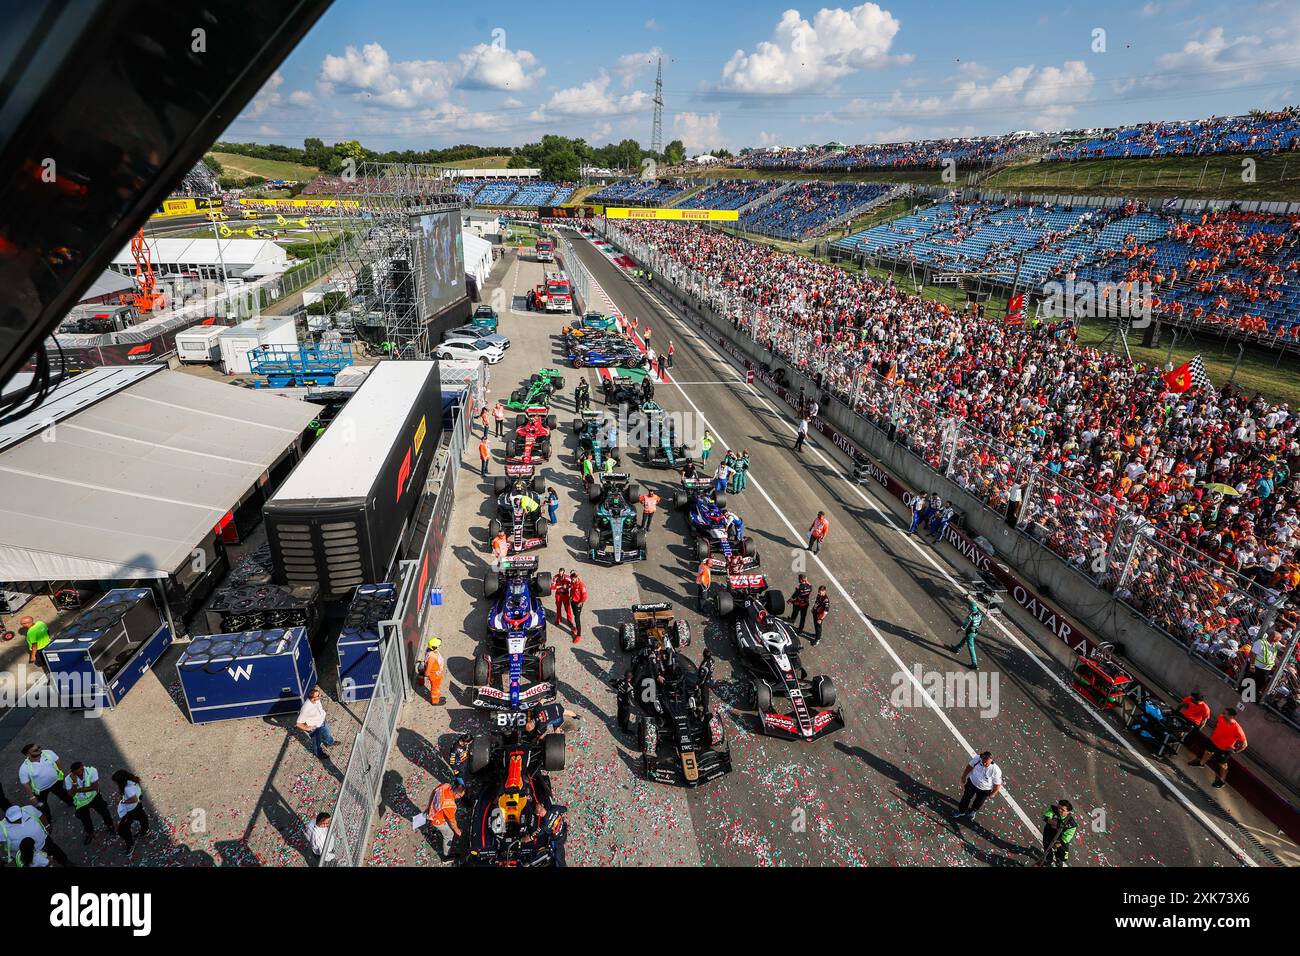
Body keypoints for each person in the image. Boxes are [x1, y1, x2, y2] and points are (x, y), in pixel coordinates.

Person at [1189, 707, 1248, 789]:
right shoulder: (1221, 717)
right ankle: (1201, 763)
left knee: (1222, 765)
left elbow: (1245, 744)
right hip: (1213, 741)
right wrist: (1213, 733)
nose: (1223, 714)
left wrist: (1235, 750)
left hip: (1224, 749)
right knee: (1207, 752)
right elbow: (1217, 724)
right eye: (1223, 713)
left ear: (1231, 716)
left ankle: (1221, 781)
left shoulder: (1237, 729)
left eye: (1225, 714)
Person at [63, 761, 115, 845]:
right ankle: (90, 833)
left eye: (81, 771)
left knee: (105, 813)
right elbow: (71, 794)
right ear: (72, 773)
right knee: (85, 820)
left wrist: (78, 790)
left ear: (83, 767)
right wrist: (75, 783)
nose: (80, 774)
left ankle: (110, 827)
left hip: (94, 797)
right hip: (81, 802)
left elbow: (95, 787)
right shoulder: (68, 779)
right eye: (77, 773)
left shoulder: (92, 771)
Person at [0, 803, 68, 866]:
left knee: (60, 856)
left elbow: (40, 816)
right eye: (14, 820)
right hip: (28, 857)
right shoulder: (1, 828)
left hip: (45, 843)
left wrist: (47, 826)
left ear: (20, 811)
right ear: (7, 819)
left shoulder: (29, 809)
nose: (18, 821)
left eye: (19, 818)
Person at [18, 744, 71, 819]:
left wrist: (62, 775)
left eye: (39, 747)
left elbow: (57, 761)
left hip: (56, 782)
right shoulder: (24, 768)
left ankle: (71, 802)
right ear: (27, 754)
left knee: (63, 793)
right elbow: (25, 784)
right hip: (41, 790)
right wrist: (32, 797)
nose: (39, 750)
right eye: (35, 750)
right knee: (43, 806)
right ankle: (48, 819)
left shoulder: (48, 753)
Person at [954, 751, 1002, 821]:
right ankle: (962, 811)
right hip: (972, 783)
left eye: (987, 763)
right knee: (965, 798)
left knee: (979, 802)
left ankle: (973, 811)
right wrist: (964, 776)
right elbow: (969, 766)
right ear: (981, 758)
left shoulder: (996, 770)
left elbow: (997, 784)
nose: (984, 763)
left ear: (991, 761)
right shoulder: (977, 759)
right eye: (983, 761)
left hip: (985, 789)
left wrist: (993, 793)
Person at [112, 770, 149, 853]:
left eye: (116, 782)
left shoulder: (127, 789)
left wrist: (123, 801)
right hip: (138, 804)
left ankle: (130, 844)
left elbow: (134, 799)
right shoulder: (133, 780)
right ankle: (145, 830)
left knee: (122, 829)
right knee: (141, 816)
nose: (116, 784)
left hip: (131, 809)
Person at [426, 782, 465, 862]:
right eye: (460, 796)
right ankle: (446, 857)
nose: (459, 798)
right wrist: (458, 831)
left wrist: (429, 807)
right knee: (449, 834)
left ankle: (432, 829)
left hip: (433, 811)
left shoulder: (445, 786)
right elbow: (452, 821)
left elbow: (433, 792)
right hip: (438, 820)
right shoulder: (450, 804)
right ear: (456, 793)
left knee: (446, 827)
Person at [294, 686, 336, 758]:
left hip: (322, 721)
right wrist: (307, 728)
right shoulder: (306, 709)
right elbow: (298, 723)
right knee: (317, 741)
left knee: (327, 733)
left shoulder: (317, 700)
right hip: (314, 727)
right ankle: (318, 753)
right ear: (313, 698)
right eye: (318, 695)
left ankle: (330, 743)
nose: (320, 696)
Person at [1040, 800, 1078, 867]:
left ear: (1068, 812)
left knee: (1063, 856)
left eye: (1062, 810)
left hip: (1061, 838)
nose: (1059, 810)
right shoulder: (1053, 809)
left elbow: (1066, 838)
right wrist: (1055, 823)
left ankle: (1059, 861)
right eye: (1058, 807)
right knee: (1047, 846)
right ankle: (1049, 860)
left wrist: (1058, 843)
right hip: (1049, 831)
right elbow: (1045, 817)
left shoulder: (1071, 824)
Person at [949, 598, 984, 668]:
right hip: (975, 632)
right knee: (965, 639)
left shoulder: (970, 616)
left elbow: (965, 626)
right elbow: (980, 623)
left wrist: (959, 630)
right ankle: (956, 648)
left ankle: (974, 664)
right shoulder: (980, 614)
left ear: (971, 608)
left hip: (970, 632)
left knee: (971, 647)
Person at [423, 638, 446, 706]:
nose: (439, 646)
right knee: (435, 688)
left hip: (436, 674)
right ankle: (435, 701)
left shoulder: (430, 652)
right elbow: (428, 669)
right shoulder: (432, 658)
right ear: (434, 647)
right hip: (434, 675)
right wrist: (426, 674)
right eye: (438, 645)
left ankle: (437, 697)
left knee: (436, 687)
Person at [568, 571, 588, 643]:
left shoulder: (581, 585)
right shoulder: (573, 582)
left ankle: (579, 635)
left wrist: (580, 603)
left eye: (573, 579)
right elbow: (572, 590)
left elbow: (585, 596)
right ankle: (576, 629)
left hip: (578, 604)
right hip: (573, 602)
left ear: (576, 578)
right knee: (574, 614)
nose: (572, 580)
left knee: (577, 618)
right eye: (571, 579)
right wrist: (570, 597)